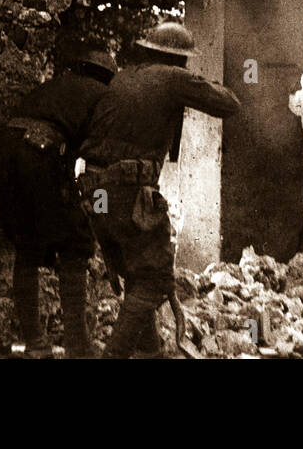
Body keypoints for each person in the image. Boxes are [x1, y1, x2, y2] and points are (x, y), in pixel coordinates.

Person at [77, 22, 240, 358]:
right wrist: (197, 82)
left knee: (139, 277)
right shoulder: (173, 78)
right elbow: (229, 104)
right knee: (152, 280)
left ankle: (150, 354)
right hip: (127, 191)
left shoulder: (123, 76)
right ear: (177, 60)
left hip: (96, 193)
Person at [0, 44, 116, 358]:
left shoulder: (54, 85)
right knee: (75, 244)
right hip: (39, 152)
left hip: (3, 152)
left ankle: (36, 345)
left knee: (28, 245)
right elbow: (95, 154)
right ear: (108, 76)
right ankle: (77, 347)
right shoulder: (103, 97)